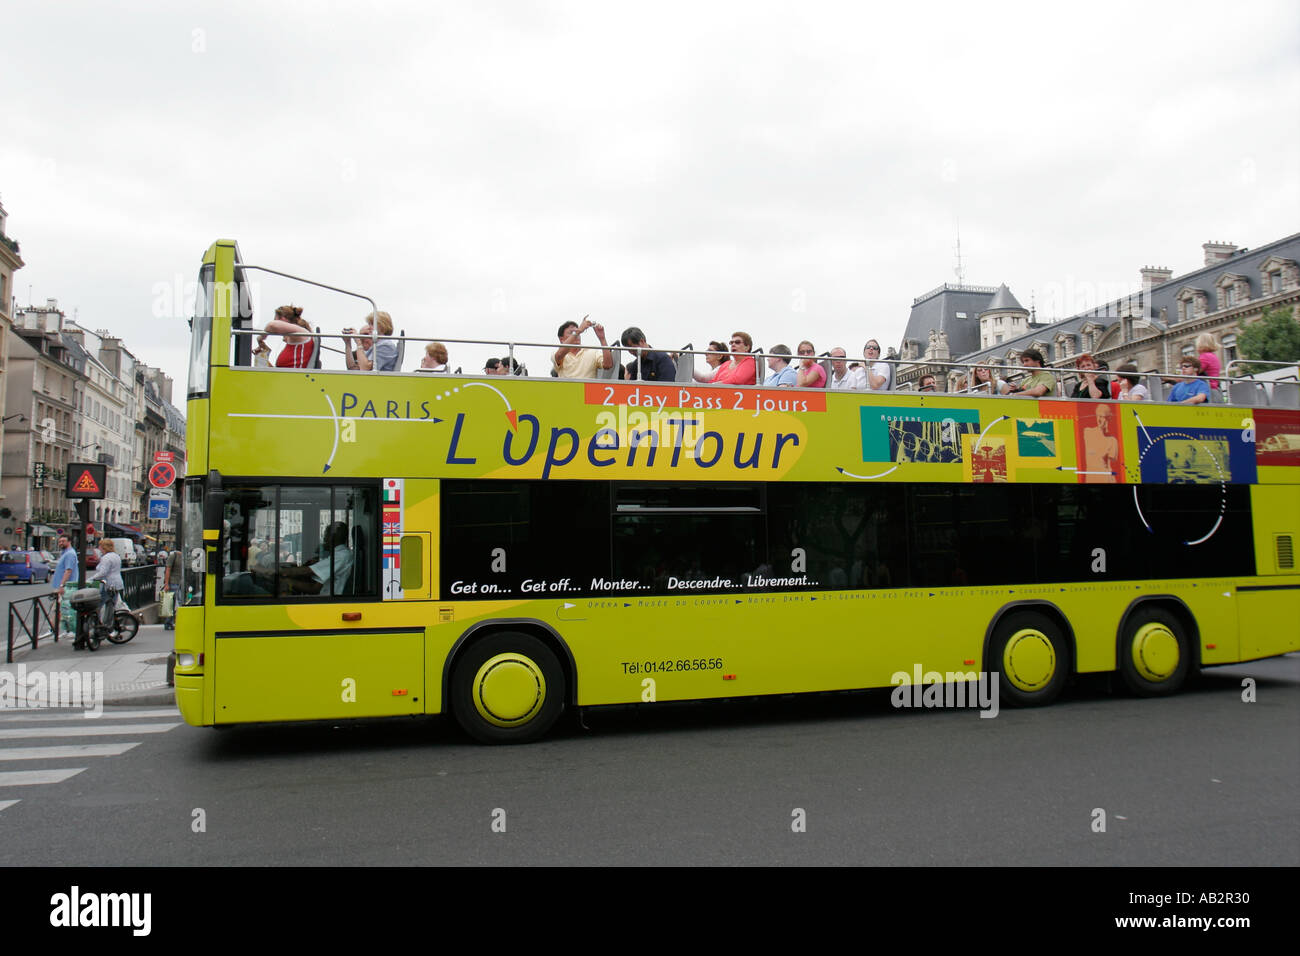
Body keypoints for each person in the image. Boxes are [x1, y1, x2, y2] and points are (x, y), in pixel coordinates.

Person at [280, 521, 354, 596]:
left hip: (329, 602)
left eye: (326, 534)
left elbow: (307, 571)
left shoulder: (342, 555)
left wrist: (281, 573)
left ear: (333, 537)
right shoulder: (336, 555)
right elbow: (314, 588)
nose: (324, 538)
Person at [87, 538, 124, 644]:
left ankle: (105, 628)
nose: (98, 548)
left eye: (99, 546)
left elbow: (103, 572)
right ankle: (106, 627)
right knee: (110, 606)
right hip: (116, 584)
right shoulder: (116, 556)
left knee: (100, 605)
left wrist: (91, 579)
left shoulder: (106, 558)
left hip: (109, 585)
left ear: (103, 547)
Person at [162, 546, 183, 629]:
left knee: (173, 603)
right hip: (174, 583)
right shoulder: (173, 556)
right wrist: (166, 584)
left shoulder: (184, 556)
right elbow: (168, 570)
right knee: (173, 603)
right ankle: (168, 623)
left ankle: (169, 622)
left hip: (180, 583)